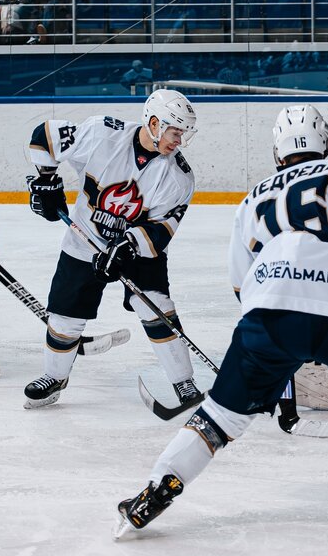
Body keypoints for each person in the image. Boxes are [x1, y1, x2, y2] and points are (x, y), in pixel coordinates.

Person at [115, 105, 328, 536]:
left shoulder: (253, 198)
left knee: (219, 416)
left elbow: (242, 287)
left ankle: (154, 492)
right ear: (327, 143)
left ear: (277, 152)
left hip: (268, 320)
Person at [23, 89, 202, 409]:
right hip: (84, 240)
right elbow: (44, 135)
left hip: (135, 252)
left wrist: (128, 246)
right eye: (176, 132)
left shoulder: (179, 177)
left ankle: (183, 382)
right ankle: (54, 377)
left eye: (183, 134)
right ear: (154, 122)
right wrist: (47, 181)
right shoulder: (101, 133)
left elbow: (162, 229)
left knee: (157, 308)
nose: (179, 141)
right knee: (65, 317)